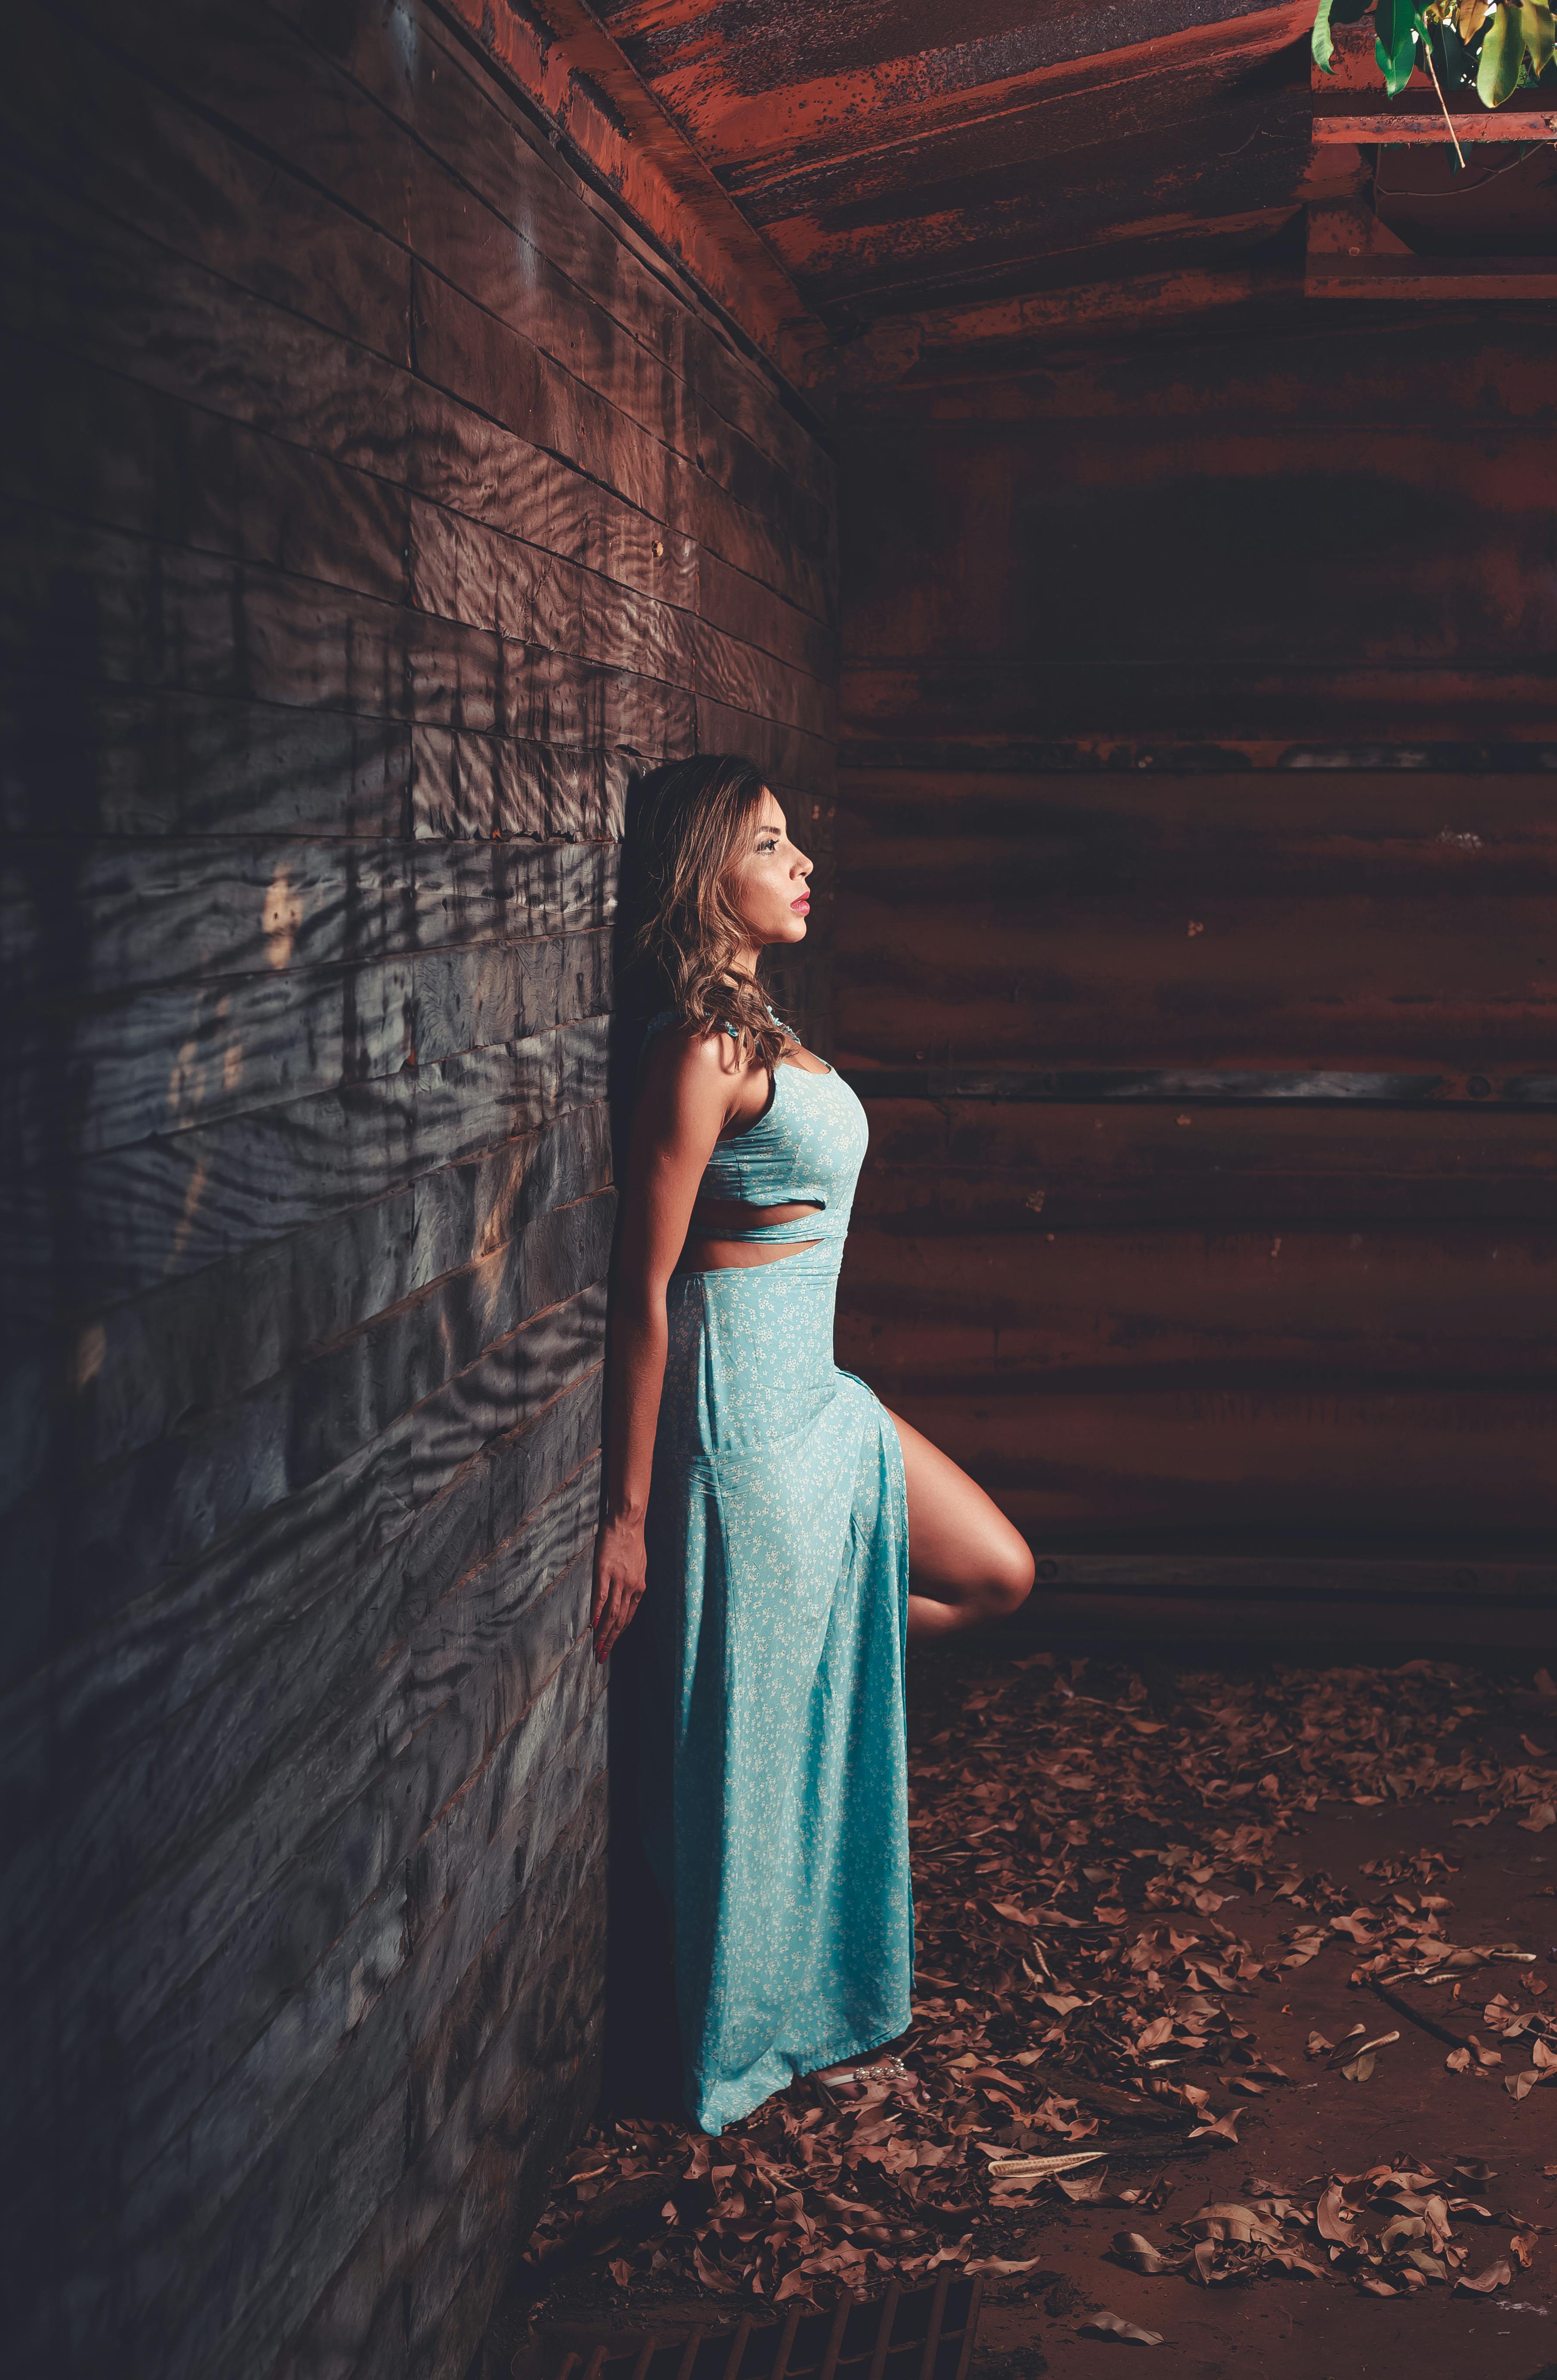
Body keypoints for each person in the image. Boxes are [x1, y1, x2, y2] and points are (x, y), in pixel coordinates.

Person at [593, 753, 1034, 2134]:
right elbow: (646, 1289)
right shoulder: (697, 1048)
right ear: (705, 872)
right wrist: (625, 1512)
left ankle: (814, 1980)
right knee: (753, 1734)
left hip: (822, 1398)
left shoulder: (760, 1028)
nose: (802, 866)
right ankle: (764, 2025)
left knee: (997, 1573)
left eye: (795, 843)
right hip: (746, 1432)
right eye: (772, 845)